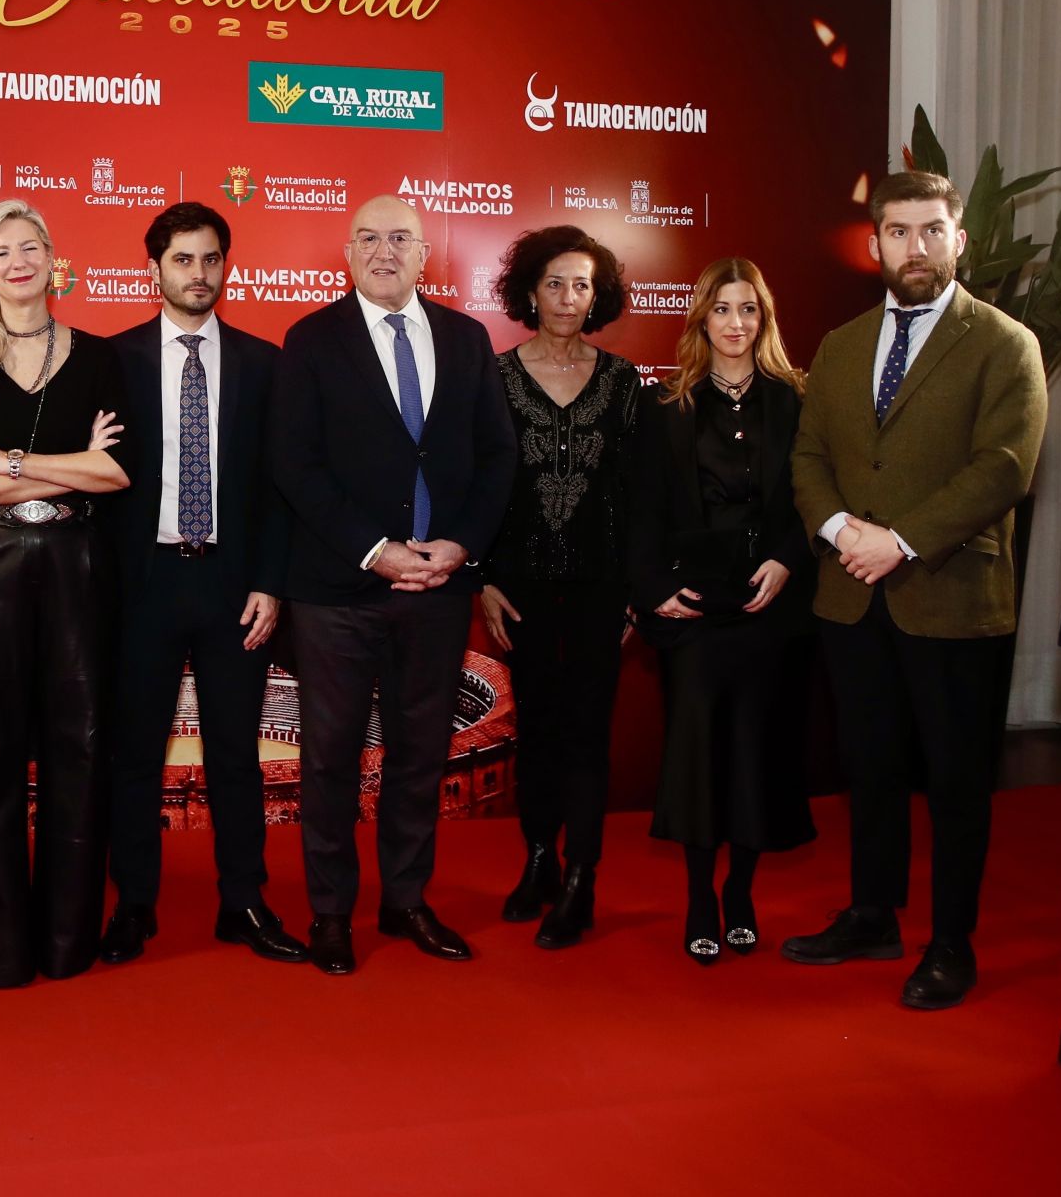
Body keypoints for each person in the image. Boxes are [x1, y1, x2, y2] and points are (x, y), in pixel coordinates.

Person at [785, 170, 1046, 1010]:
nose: (916, 248)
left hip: (950, 600)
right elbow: (810, 460)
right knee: (871, 769)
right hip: (851, 599)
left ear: (959, 240)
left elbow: (1003, 469)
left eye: (933, 230)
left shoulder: (1006, 343)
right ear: (875, 245)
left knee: (957, 781)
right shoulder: (840, 344)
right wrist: (839, 534)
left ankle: (951, 943)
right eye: (899, 232)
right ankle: (871, 916)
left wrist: (898, 541)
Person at [269, 192, 516, 975]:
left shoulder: (467, 339)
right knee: (331, 759)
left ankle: (407, 900)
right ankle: (332, 913)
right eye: (368, 238)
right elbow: (293, 466)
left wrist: (462, 547)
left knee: (419, 757)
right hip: (338, 590)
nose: (384, 251)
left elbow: (497, 457)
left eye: (400, 238)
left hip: (439, 590)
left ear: (425, 255)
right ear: (347, 253)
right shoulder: (310, 340)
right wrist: (374, 549)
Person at [99, 201, 305, 967]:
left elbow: (281, 489)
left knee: (233, 756)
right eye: (183, 259)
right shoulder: (112, 361)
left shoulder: (265, 363)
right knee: (134, 755)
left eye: (211, 258)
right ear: (153, 267)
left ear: (227, 265)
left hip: (233, 587)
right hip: (143, 588)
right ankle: (133, 906)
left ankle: (244, 902)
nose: (198, 273)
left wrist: (271, 582)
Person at [0, 199, 131, 988]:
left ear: (54, 258)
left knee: (78, 755)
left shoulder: (99, 357)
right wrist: (60, 462)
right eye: (0, 252)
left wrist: (11, 460)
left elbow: (116, 474)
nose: (18, 261)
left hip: (78, 569)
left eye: (30, 247)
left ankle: (65, 943)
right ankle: (1, 952)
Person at [626, 258, 816, 965]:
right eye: (723, 310)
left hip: (770, 601)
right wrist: (651, 589)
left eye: (749, 311)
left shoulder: (798, 400)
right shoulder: (666, 403)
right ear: (700, 318)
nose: (736, 324)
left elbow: (818, 498)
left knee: (755, 757)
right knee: (700, 755)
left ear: (763, 320)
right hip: (696, 606)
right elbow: (641, 511)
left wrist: (791, 560)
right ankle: (701, 896)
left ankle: (741, 892)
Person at [478, 224, 641, 950]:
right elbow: (477, 488)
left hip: (603, 588)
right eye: (556, 283)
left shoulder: (623, 382)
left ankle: (583, 878)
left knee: (586, 737)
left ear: (598, 294)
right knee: (537, 733)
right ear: (530, 292)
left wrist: (638, 587)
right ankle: (539, 857)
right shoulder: (497, 377)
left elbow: (640, 494)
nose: (570, 297)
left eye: (583, 284)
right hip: (522, 592)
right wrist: (481, 581)